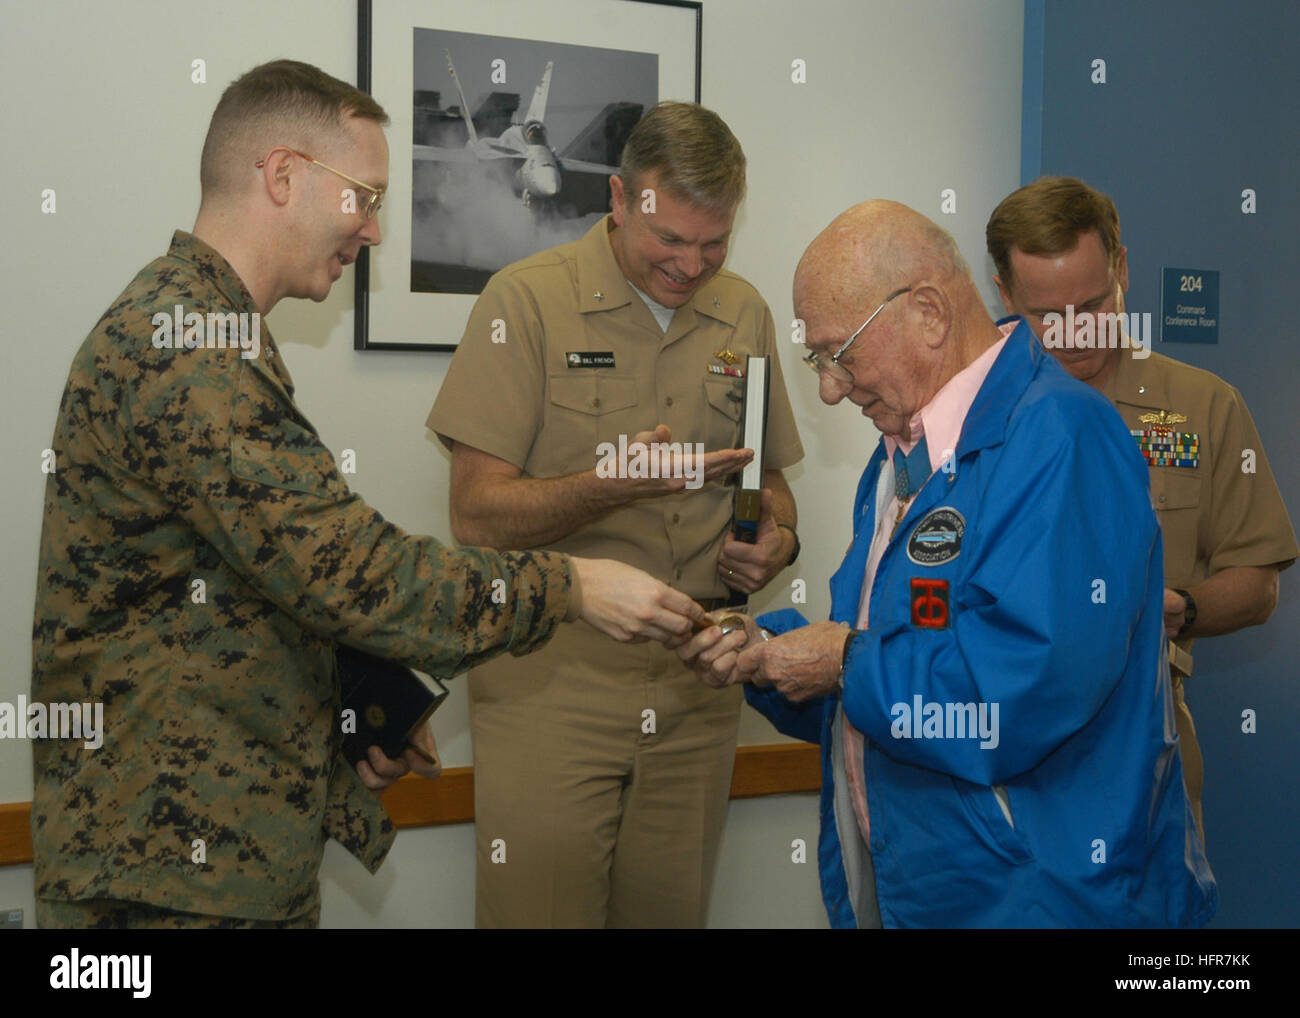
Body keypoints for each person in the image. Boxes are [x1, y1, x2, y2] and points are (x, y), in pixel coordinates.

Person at [30, 60, 701, 930]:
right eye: (365, 197)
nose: (375, 231)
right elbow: (352, 571)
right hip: (168, 878)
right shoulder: (188, 349)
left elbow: (252, 582)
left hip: (202, 854)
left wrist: (348, 707)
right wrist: (570, 586)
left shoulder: (208, 329)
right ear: (283, 176)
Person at [674, 200, 1217, 928]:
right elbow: (895, 669)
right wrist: (770, 656)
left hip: (1041, 901)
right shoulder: (902, 454)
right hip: (923, 892)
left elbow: (1016, 699)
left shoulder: (1062, 436)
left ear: (929, 312)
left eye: (839, 354)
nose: (830, 388)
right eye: (817, 361)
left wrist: (843, 664)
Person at [426, 102, 805, 928]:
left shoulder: (744, 312)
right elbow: (476, 516)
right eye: (670, 239)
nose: (691, 265)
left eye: (714, 244)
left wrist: (775, 538)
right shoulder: (525, 301)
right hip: (553, 681)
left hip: (700, 682)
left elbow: (770, 481)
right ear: (621, 199)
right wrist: (611, 485)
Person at [985, 176, 1298, 842]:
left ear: (1122, 269)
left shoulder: (1202, 406)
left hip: (1145, 751)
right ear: (1005, 296)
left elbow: (1259, 582)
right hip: (998, 756)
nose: (1075, 331)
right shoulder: (970, 416)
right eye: (1046, 314)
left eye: (1095, 303)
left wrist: (1183, 607)